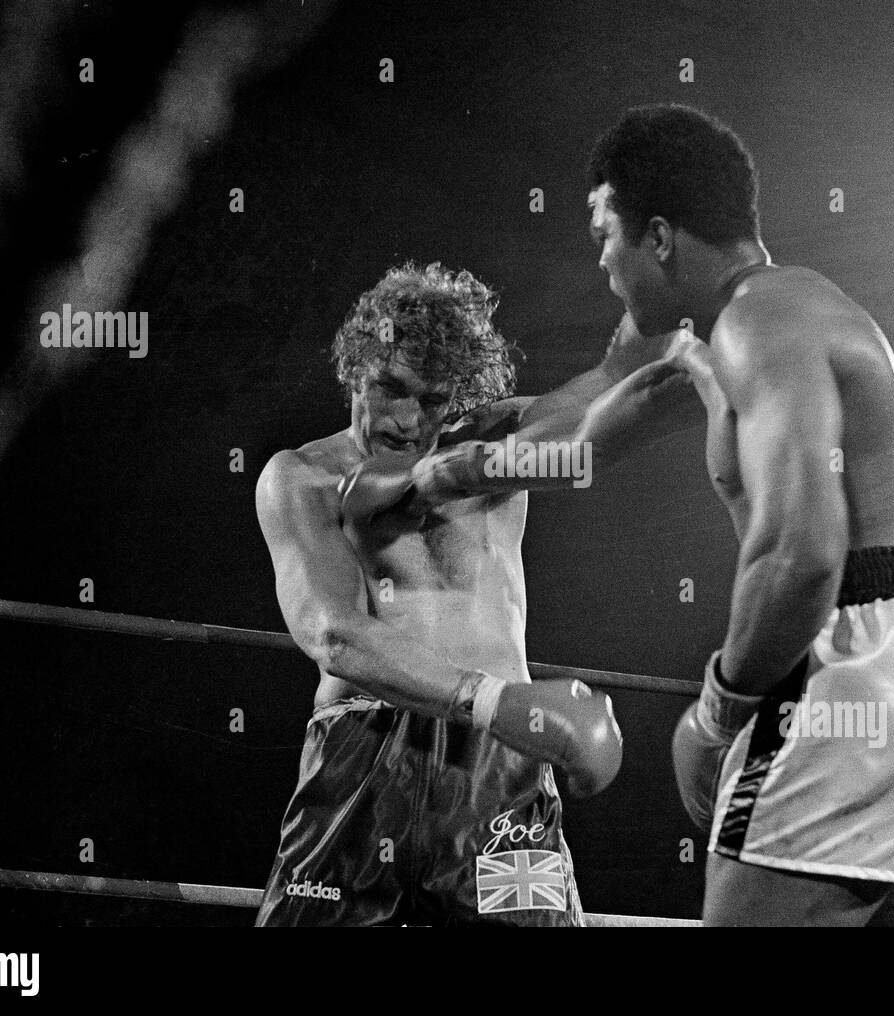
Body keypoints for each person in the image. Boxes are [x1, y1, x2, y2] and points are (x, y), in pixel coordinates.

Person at [583, 104, 894, 926]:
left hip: (870, 657)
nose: (601, 262)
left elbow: (802, 552)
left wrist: (715, 713)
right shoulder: (777, 319)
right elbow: (580, 432)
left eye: (604, 232)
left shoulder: (757, 318)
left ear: (659, 237)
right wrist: (454, 467)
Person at [253, 261, 691, 926]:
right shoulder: (302, 478)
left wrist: (677, 315)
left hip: (499, 770)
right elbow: (334, 634)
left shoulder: (496, 441)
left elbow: (618, 395)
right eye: (391, 389)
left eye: (432, 401)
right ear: (355, 369)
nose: (406, 421)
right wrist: (498, 702)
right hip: (363, 758)